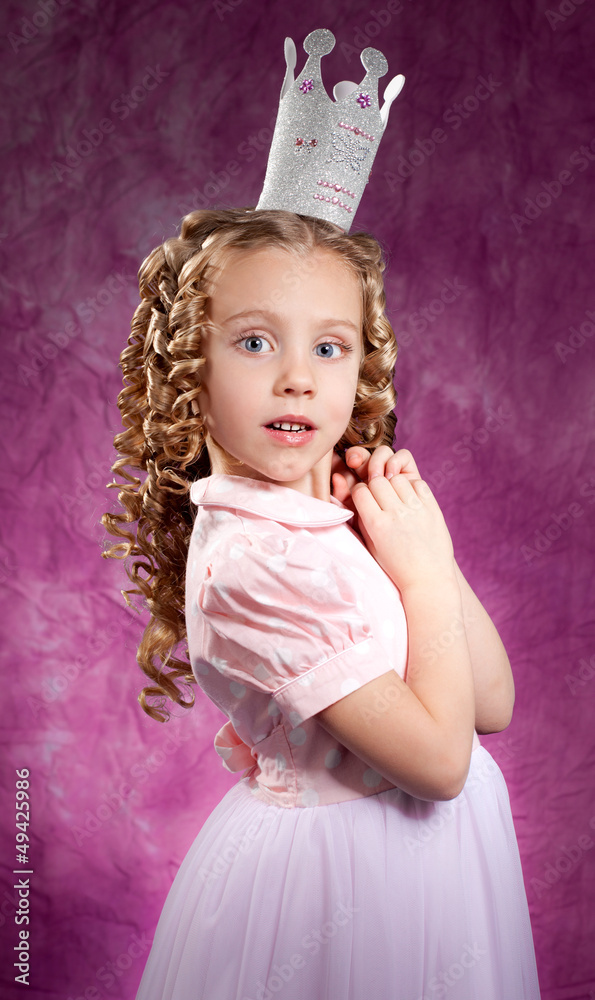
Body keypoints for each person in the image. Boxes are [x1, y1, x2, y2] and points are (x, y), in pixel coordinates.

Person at [101, 206, 542, 999]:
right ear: (188, 375)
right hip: (345, 889)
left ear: (358, 372)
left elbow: (491, 706)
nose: (297, 375)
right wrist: (422, 574)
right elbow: (440, 766)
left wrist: (417, 551)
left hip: (430, 869)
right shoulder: (254, 559)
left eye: (329, 346)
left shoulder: (317, 523)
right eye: (254, 341)